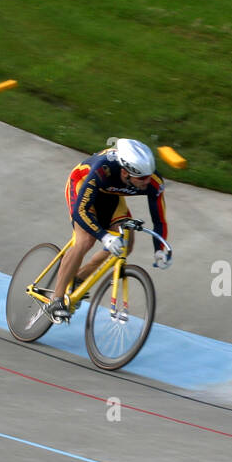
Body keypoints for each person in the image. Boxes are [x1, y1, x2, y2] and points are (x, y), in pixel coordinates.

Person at [44, 138, 172, 323]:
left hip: (111, 196)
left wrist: (159, 249)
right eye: (141, 178)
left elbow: (159, 219)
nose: (147, 181)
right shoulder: (102, 170)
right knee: (85, 240)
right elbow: (81, 211)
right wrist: (104, 237)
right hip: (81, 186)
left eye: (149, 175)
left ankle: (78, 279)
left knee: (125, 244)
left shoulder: (152, 181)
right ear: (125, 172)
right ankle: (55, 300)